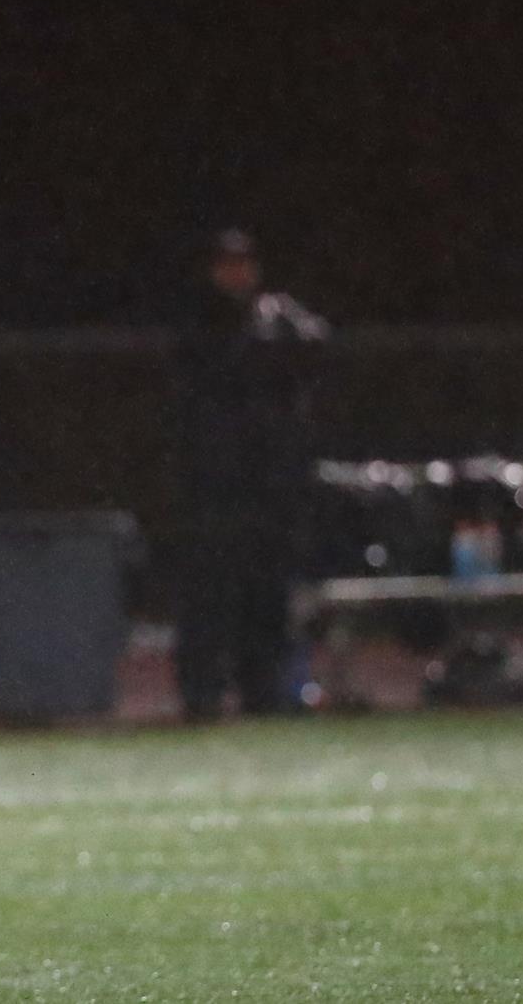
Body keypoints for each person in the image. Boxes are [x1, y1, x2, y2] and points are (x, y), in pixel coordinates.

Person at [173, 228, 328, 720]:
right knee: (210, 595)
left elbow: (316, 346)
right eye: (227, 264)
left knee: (267, 595)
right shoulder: (200, 322)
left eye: (244, 263)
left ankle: (263, 691)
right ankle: (202, 694)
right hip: (216, 485)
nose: (237, 274)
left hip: (270, 483)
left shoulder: (277, 318)